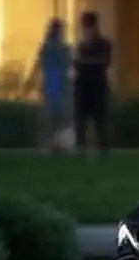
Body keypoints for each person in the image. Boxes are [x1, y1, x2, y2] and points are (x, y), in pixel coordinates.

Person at [29, 19, 71, 153]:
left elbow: (38, 66)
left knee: (54, 118)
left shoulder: (54, 48)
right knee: (55, 118)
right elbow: (38, 66)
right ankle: (52, 144)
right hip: (54, 85)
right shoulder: (53, 48)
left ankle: (53, 144)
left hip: (55, 85)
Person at [73, 11, 112, 155]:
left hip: (97, 86)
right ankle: (81, 148)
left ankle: (103, 149)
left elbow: (104, 62)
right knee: (81, 120)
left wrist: (85, 62)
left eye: (88, 27)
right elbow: (77, 64)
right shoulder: (82, 45)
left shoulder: (103, 44)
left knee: (100, 119)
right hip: (83, 87)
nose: (86, 31)